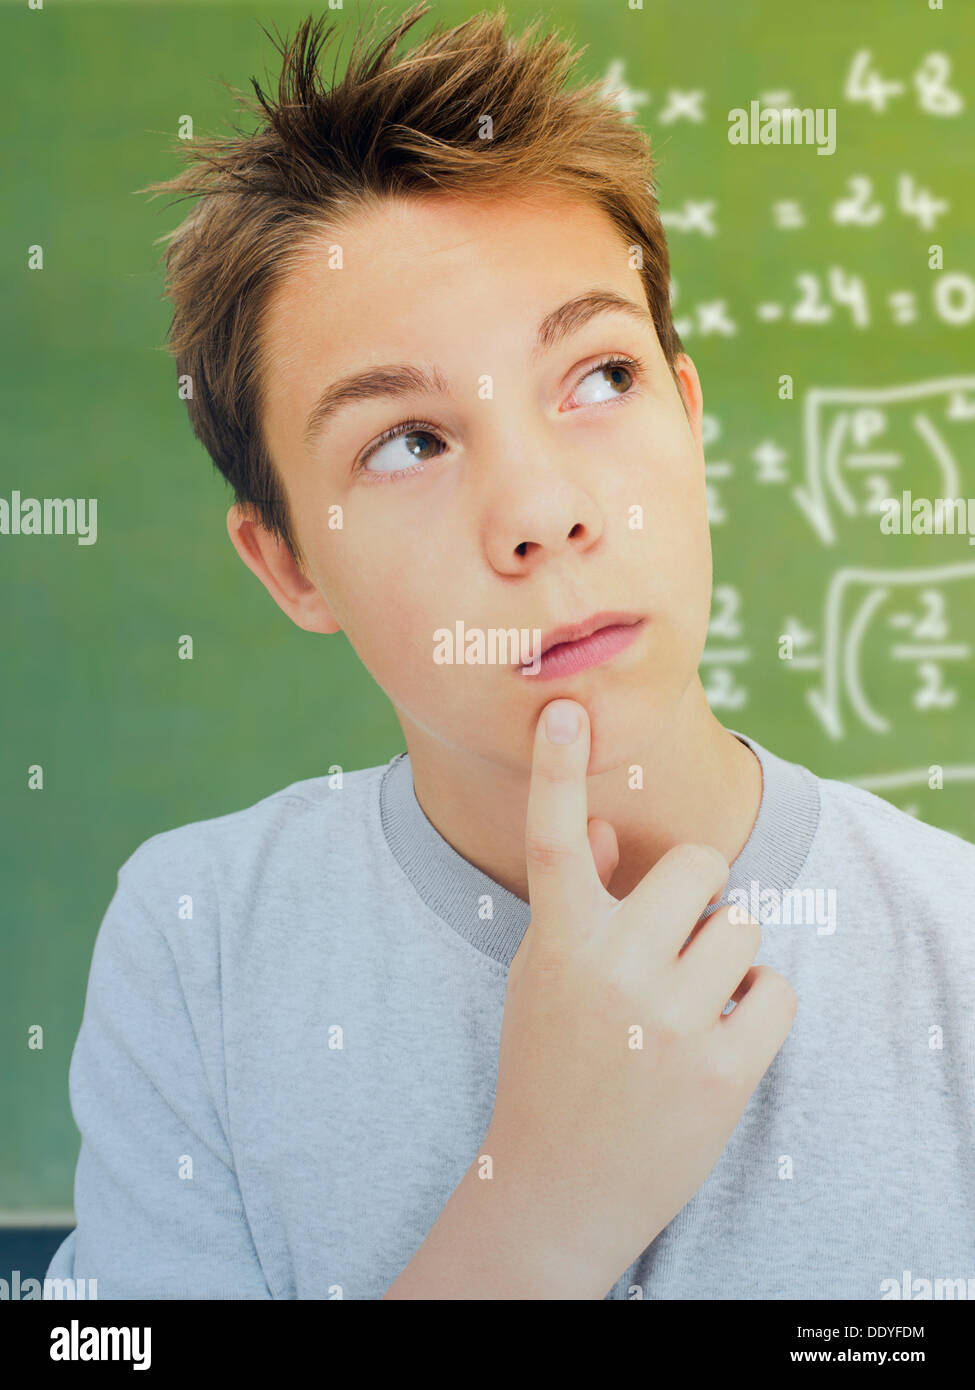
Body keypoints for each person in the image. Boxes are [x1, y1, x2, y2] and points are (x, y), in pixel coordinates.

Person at [46, 3, 975, 1300]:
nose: (542, 512)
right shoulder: (200, 950)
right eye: (409, 442)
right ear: (290, 565)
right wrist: (539, 1214)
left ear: (689, 411)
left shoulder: (959, 948)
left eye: (599, 376)